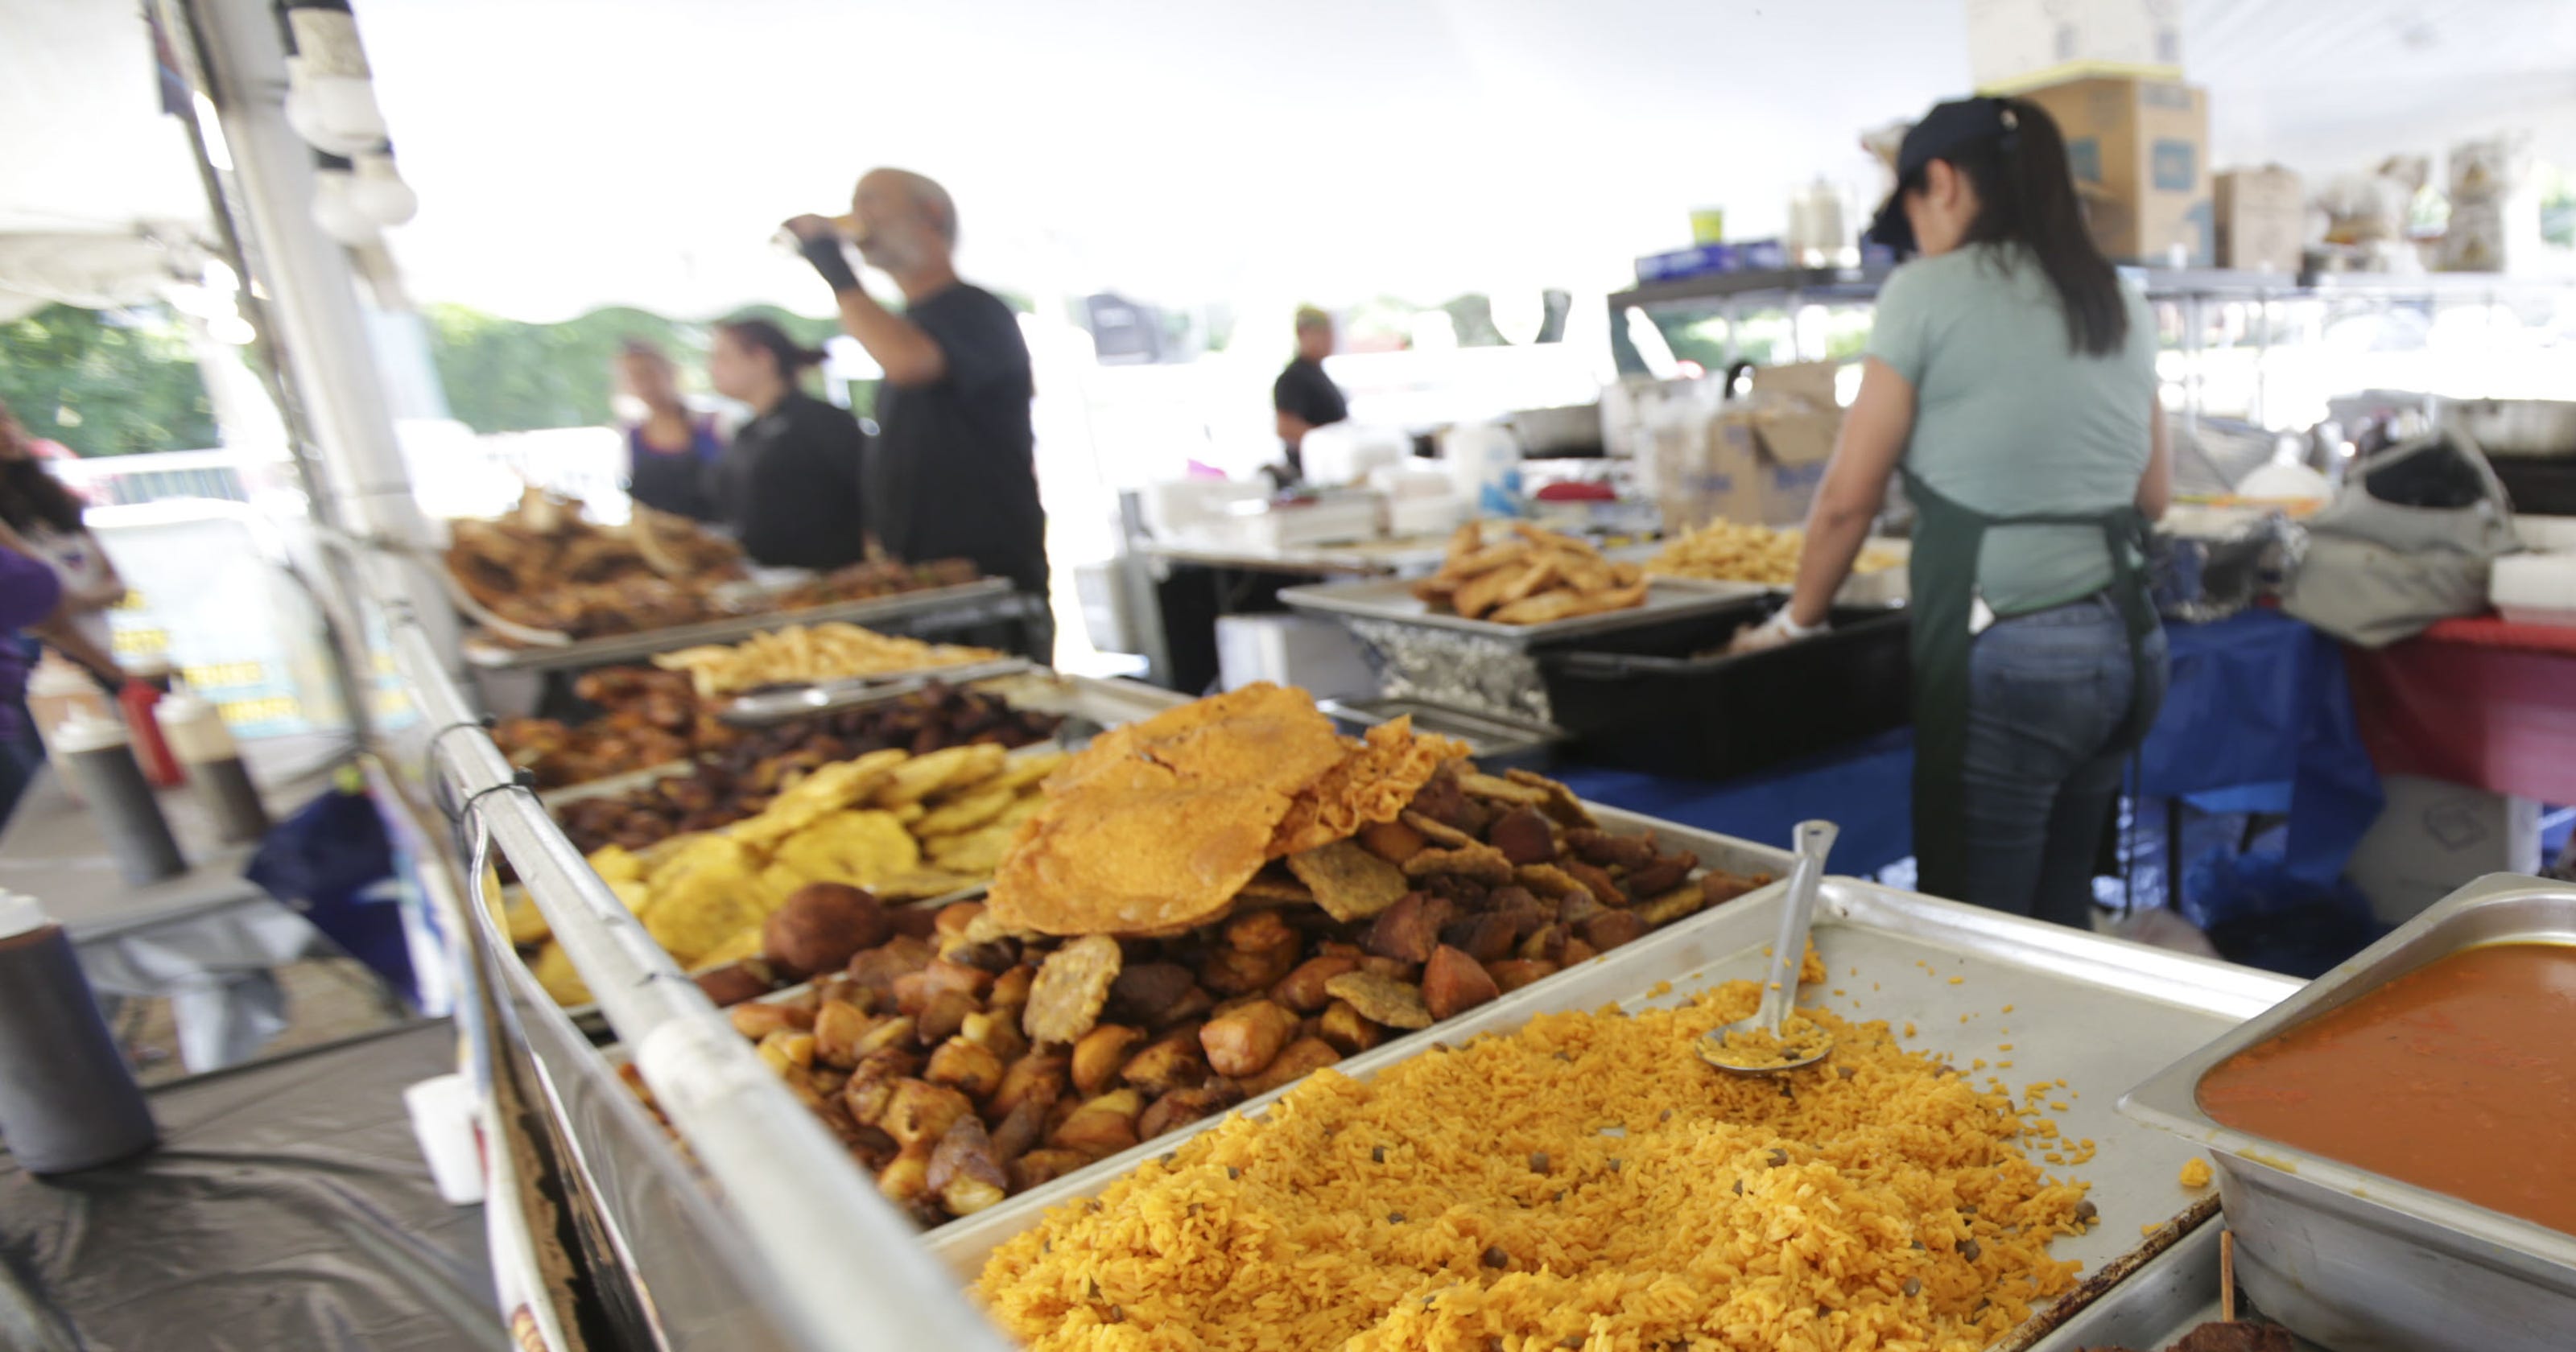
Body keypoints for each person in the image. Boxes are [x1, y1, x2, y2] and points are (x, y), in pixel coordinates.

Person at [1730, 96, 2172, 929]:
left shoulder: (1924, 291)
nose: (1915, 235)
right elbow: (2152, 496)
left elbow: (1846, 500)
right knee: (2057, 920)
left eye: (1909, 213)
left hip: (2010, 653)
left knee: (1976, 937)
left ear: (1938, 182)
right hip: (2127, 643)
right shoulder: (2116, 295)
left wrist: (1791, 625)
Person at [782, 170, 1047, 603]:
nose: (857, 217)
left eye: (871, 201)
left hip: (986, 580)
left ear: (931, 214)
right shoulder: (910, 323)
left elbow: (908, 362)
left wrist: (834, 267)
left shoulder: (975, 310)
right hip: (926, 579)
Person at [704, 318, 869, 571]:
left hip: (827, 580)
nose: (713, 368)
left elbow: (872, 490)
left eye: (722, 357)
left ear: (762, 359)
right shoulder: (746, 432)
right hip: (762, 580)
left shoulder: (821, 420)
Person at [0, 396, 124, 662]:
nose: (6, 430)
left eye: (7, 418)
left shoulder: (55, 498)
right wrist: (115, 676)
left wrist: (79, 602)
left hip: (106, 650)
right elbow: (44, 613)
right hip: (53, 670)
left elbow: (117, 583)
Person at [613, 340, 723, 521]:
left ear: (670, 371)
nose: (643, 384)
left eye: (647, 373)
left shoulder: (715, 425)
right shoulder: (628, 439)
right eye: (632, 376)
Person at [1272, 307, 1348, 481]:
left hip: (1334, 471)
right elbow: (1285, 427)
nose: (1330, 339)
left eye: (1331, 332)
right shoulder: (1293, 377)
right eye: (1322, 332)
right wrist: (1332, 444)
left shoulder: (1317, 372)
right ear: (1302, 333)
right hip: (1313, 474)